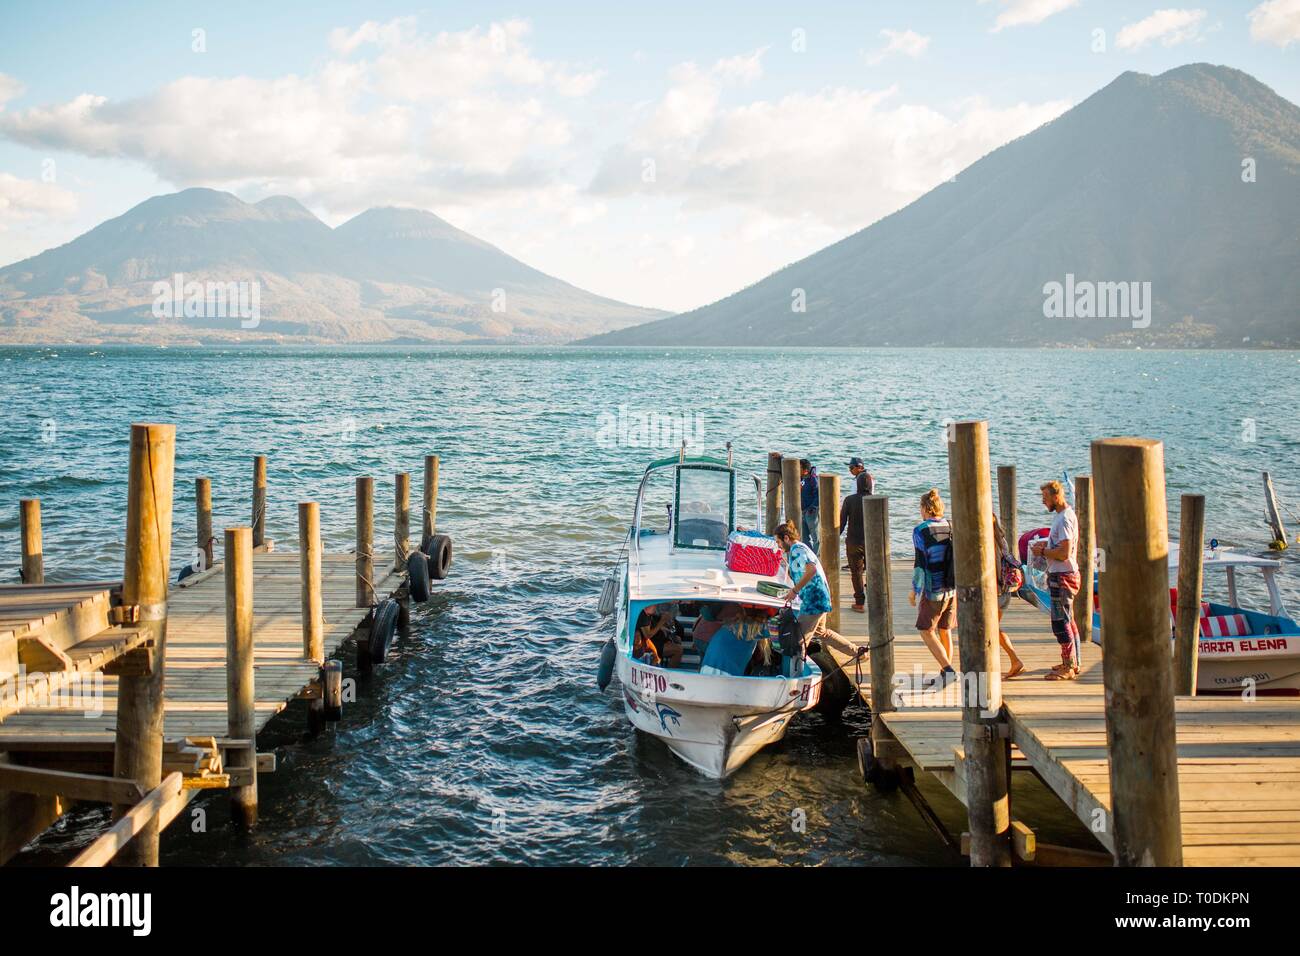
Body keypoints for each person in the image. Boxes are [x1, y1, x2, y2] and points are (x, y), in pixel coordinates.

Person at [773, 519, 861, 675]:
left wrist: (794, 590)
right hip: (820, 598)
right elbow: (799, 570)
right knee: (822, 633)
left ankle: (796, 676)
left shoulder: (796, 550)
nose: (778, 545)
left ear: (786, 538)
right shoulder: (799, 548)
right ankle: (858, 653)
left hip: (814, 601)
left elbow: (811, 570)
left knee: (798, 640)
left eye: (778, 541)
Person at [1031, 480, 1080, 680]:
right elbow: (1060, 546)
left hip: (1063, 576)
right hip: (1064, 574)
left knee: (1061, 622)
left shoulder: (1064, 519)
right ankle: (1071, 661)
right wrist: (1048, 545)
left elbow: (1064, 553)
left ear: (1056, 496)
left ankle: (1069, 667)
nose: (1044, 502)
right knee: (1068, 620)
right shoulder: (1063, 515)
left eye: (1045, 498)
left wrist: (1043, 551)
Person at [909, 489, 957, 689]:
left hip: (934, 589)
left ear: (925, 508)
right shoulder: (951, 525)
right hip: (952, 587)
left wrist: (915, 590)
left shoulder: (921, 530)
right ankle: (946, 672)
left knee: (926, 630)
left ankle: (948, 670)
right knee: (945, 630)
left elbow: (920, 563)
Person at [992, 512, 1026, 680]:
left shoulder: (990, 542)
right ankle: (1010, 661)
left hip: (997, 592)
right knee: (992, 629)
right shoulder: (1001, 539)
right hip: (1006, 591)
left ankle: (1015, 660)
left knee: (991, 630)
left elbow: (996, 566)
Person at [839, 471, 872, 612]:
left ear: (857, 485)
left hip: (853, 541)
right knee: (873, 571)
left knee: (856, 572)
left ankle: (859, 603)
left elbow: (842, 522)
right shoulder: (874, 499)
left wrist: (834, 538)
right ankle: (876, 599)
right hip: (872, 542)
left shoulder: (849, 500)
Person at [799, 460, 820, 554]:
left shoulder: (813, 480)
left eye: (799, 467)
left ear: (805, 470)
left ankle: (816, 558)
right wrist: (780, 457)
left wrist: (812, 508)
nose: (796, 469)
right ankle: (809, 556)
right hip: (802, 511)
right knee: (804, 537)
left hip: (811, 512)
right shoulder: (800, 478)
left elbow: (818, 495)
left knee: (816, 537)